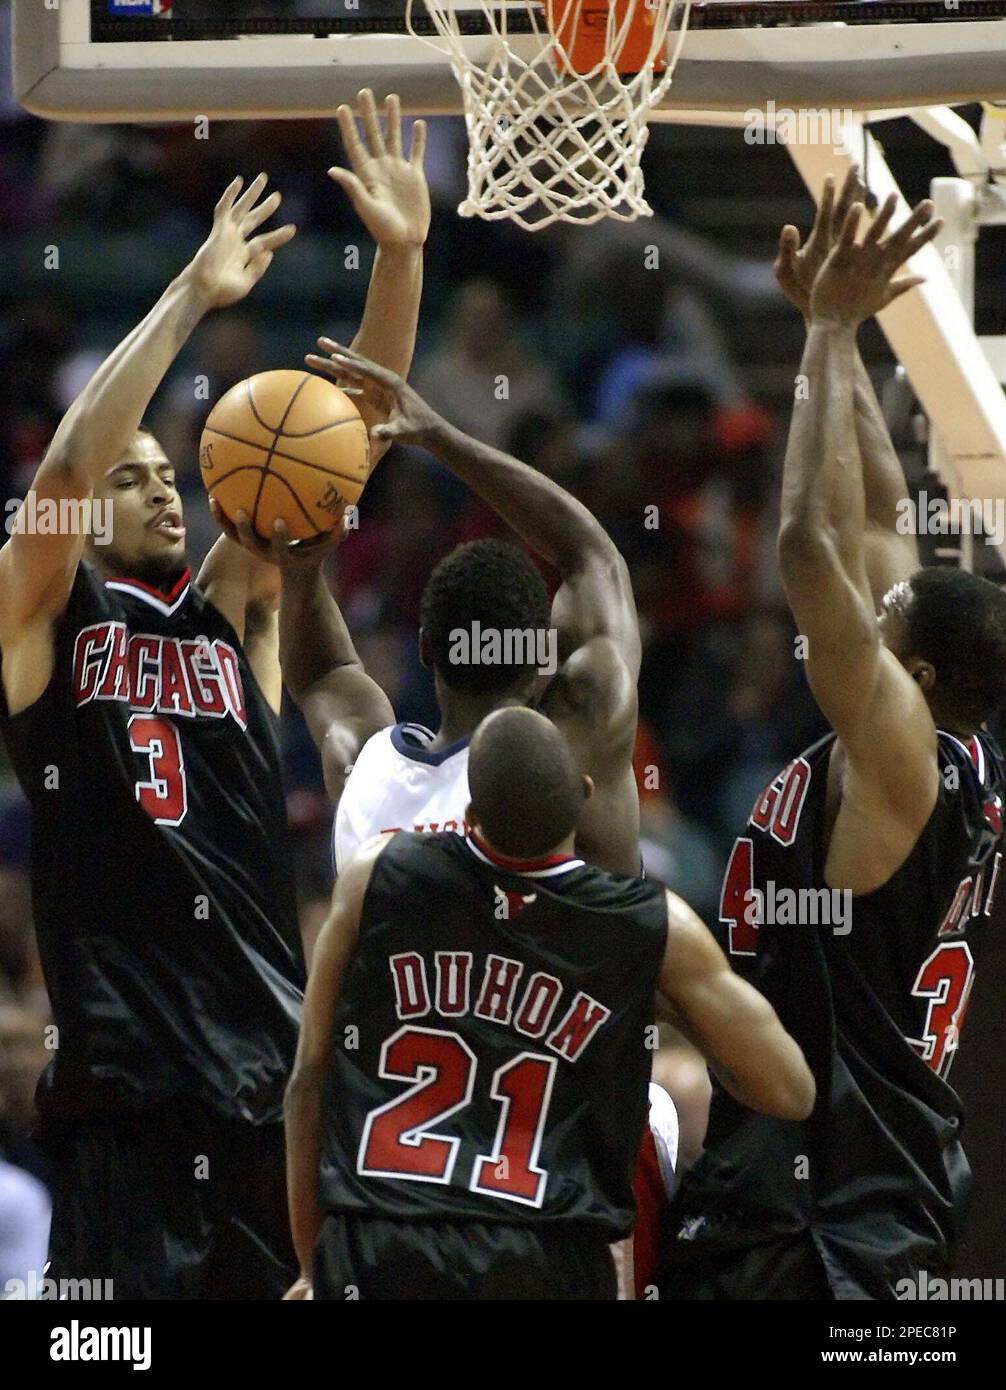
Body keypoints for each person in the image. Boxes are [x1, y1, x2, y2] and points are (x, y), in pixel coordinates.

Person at [0, 91, 431, 1298]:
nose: (159, 487)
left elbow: (348, 438)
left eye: (167, 474)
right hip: (127, 1088)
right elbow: (74, 462)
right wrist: (192, 292)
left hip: (265, 1074)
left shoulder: (233, 613)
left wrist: (400, 259)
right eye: (135, 479)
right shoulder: (41, 620)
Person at [665, 172, 1006, 1300]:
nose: (874, 599)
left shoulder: (898, 762)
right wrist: (851, 335)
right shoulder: (929, 732)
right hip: (836, 1184)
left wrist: (814, 332)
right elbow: (869, 521)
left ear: (907, 677)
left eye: (885, 619)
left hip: (831, 1217)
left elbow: (810, 548)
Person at [284, 708, 815, 1300]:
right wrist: (648, 1001)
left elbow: (308, 1080)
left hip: (380, 1251)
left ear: (469, 817)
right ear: (586, 796)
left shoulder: (376, 875)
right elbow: (790, 1090)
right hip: (543, 1262)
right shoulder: (647, 926)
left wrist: (311, 1266)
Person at [251, 338, 643, 879]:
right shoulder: (577, 748)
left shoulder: (364, 766)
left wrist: (300, 566)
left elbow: (321, 675)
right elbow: (592, 557)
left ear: (426, 647)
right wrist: (441, 438)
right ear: (542, 656)